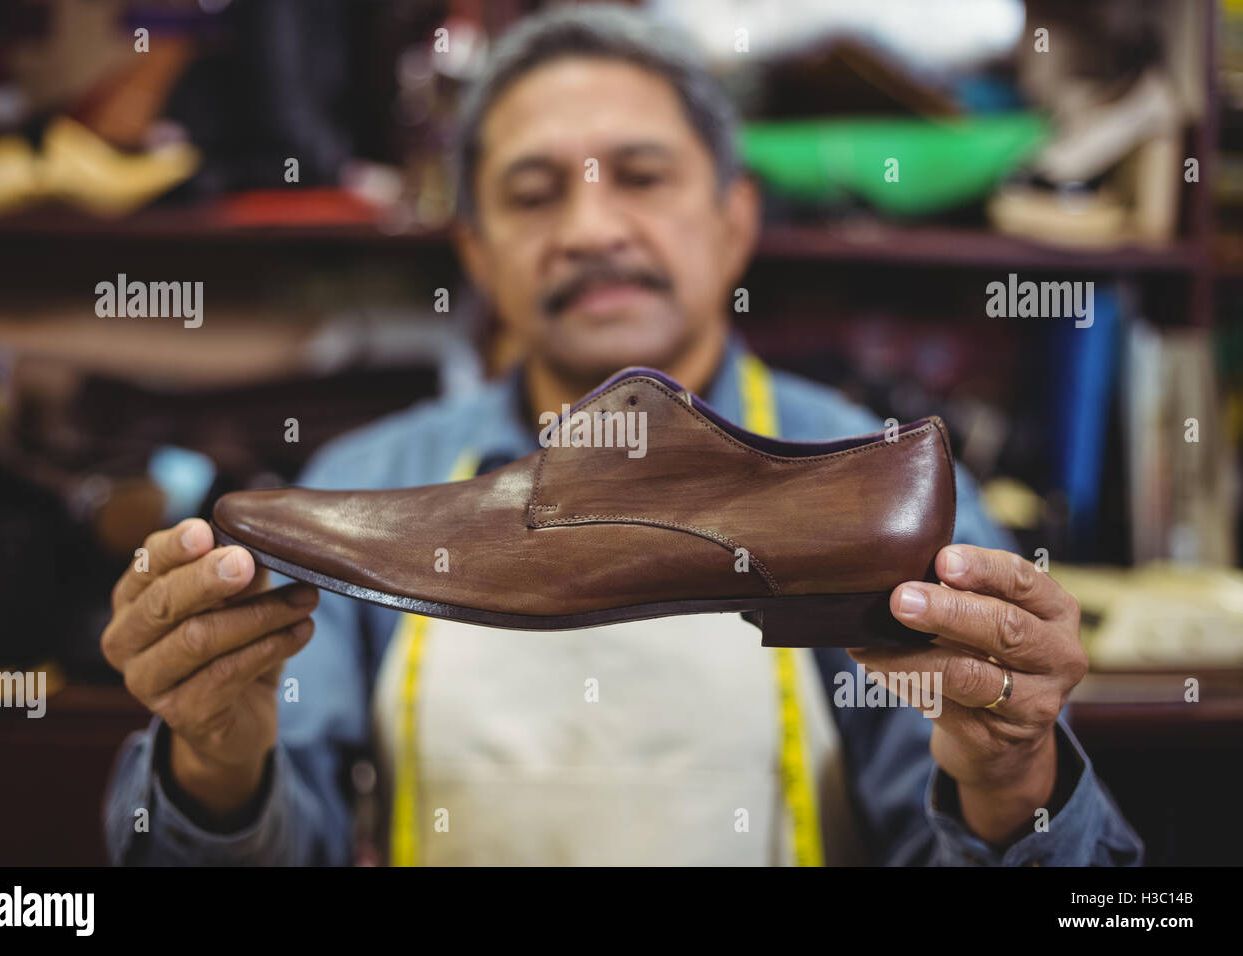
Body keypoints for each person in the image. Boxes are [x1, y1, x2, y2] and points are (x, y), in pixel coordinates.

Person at [101, 4, 1142, 866]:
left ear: (735, 218)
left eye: (640, 177)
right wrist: (214, 764)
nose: (591, 229)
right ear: (476, 247)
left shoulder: (868, 500)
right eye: (533, 191)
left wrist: (1013, 783)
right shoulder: (367, 481)